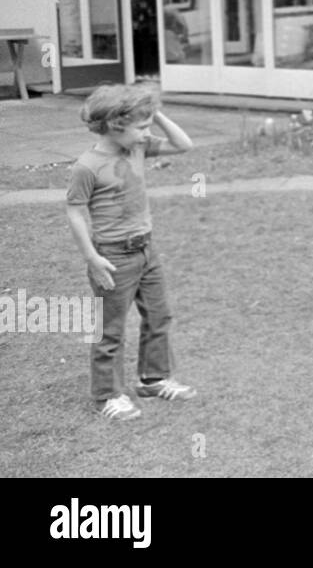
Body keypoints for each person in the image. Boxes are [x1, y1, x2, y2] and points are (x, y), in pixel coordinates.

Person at [66, 84, 196, 420]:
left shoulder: (136, 147)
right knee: (110, 330)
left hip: (146, 249)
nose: (146, 133)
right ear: (114, 125)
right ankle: (109, 395)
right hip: (113, 256)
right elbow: (75, 212)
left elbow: (184, 144)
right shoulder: (88, 166)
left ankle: (153, 379)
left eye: (147, 126)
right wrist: (92, 258)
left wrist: (152, 113)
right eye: (140, 127)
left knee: (158, 315)